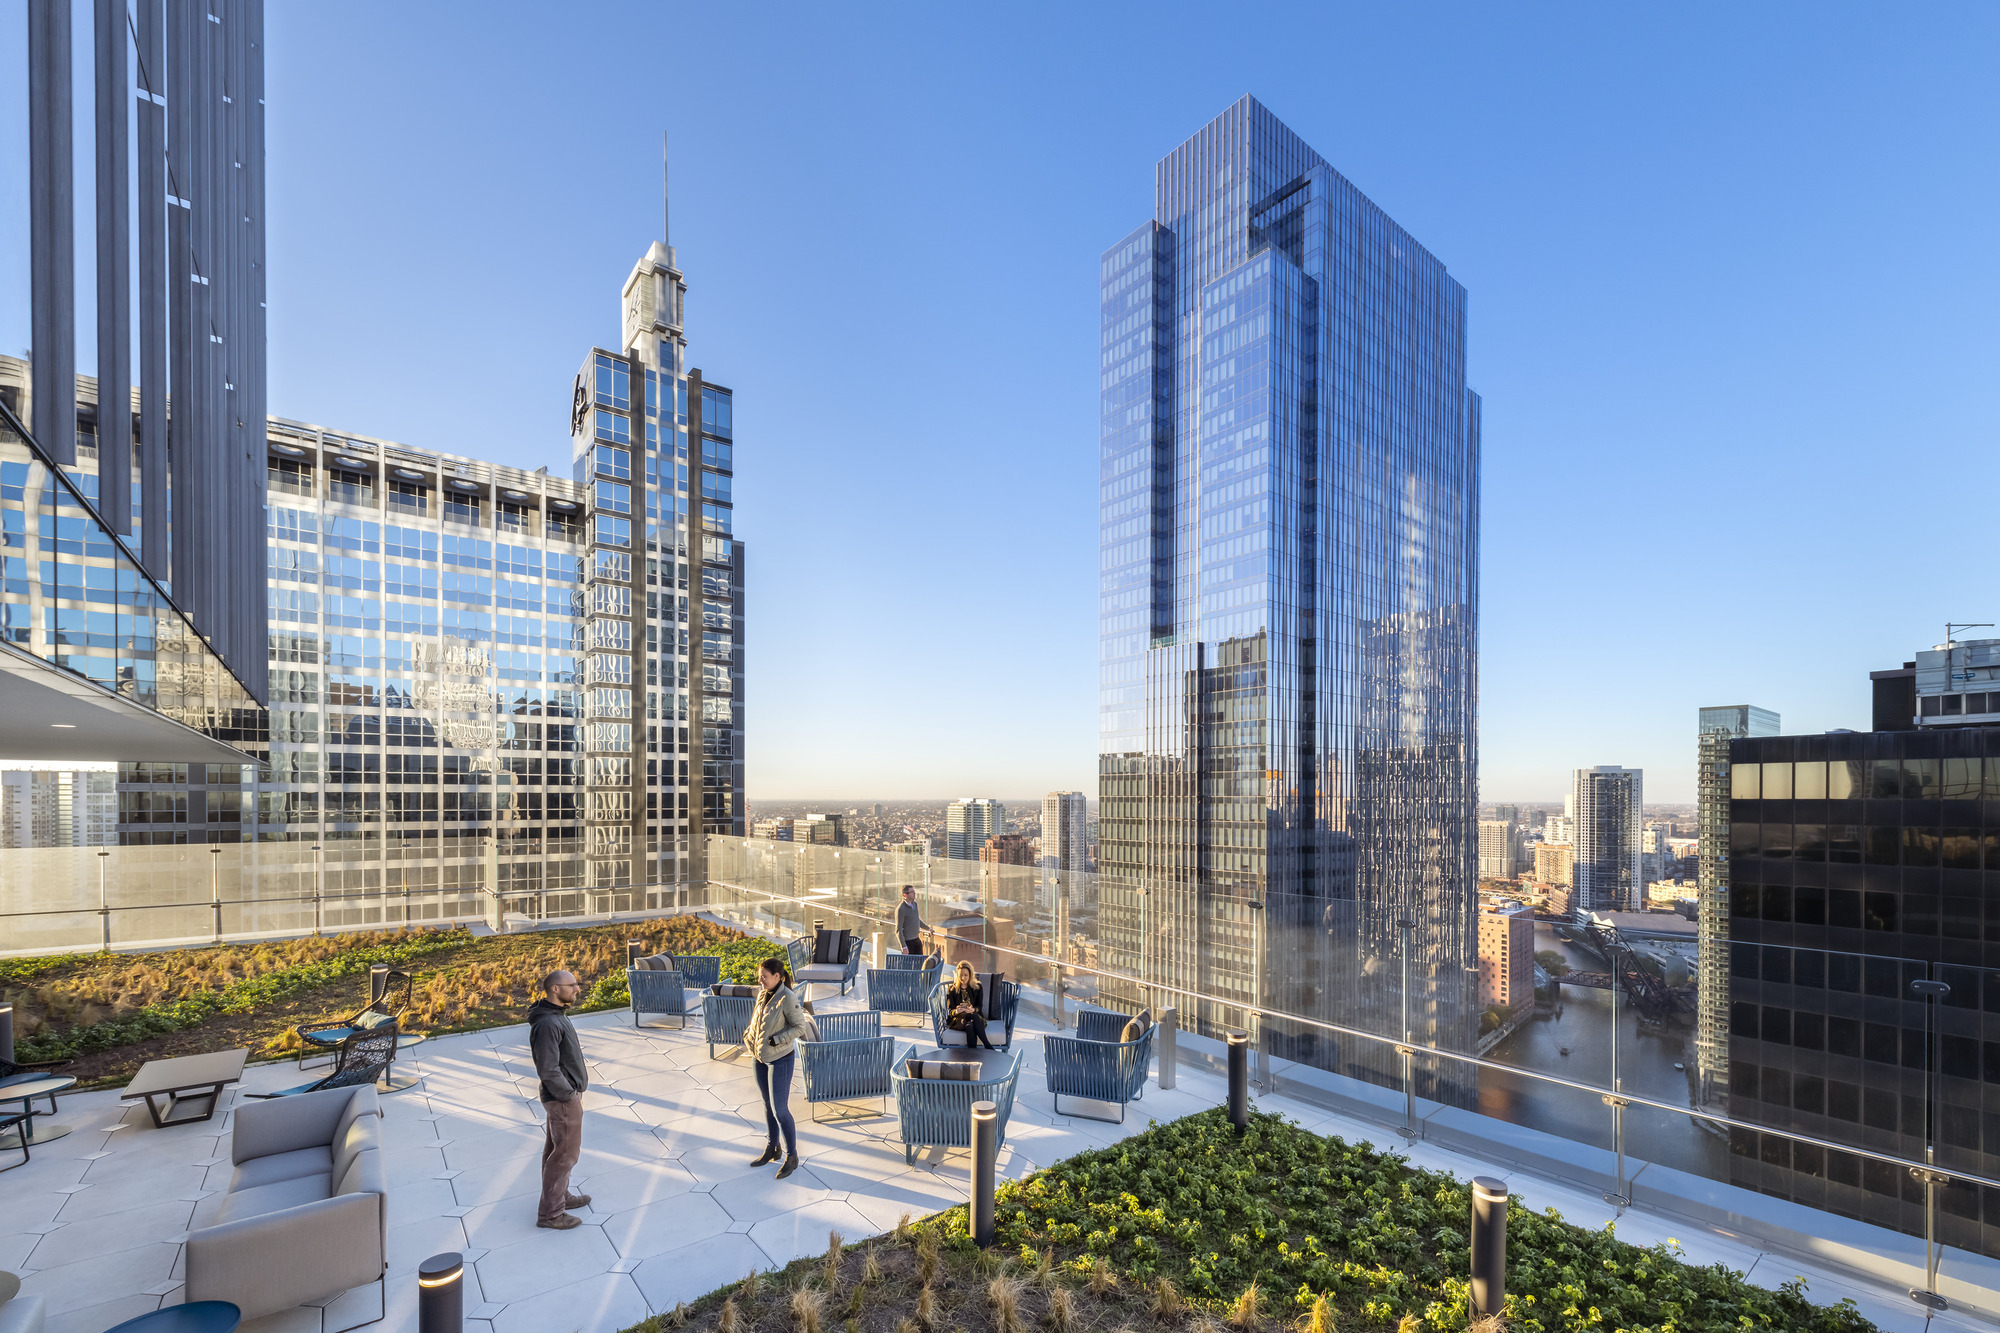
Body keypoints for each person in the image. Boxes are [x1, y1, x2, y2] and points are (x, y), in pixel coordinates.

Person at [528, 969, 591, 1229]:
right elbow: (548, 1069)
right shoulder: (548, 1024)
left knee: (556, 1150)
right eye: (571, 985)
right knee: (565, 1154)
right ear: (555, 989)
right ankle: (551, 1214)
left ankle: (560, 1195)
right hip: (562, 1099)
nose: (577, 989)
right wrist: (569, 1095)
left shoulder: (555, 1016)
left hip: (562, 1096)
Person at [747, 955, 809, 1178]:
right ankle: (773, 1147)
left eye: (764, 977)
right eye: (760, 976)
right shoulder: (762, 993)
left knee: (780, 1109)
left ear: (777, 976)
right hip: (759, 1057)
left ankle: (792, 1156)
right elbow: (757, 1021)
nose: (760, 980)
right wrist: (748, 1035)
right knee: (767, 1105)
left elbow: (800, 1027)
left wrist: (776, 1040)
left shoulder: (788, 998)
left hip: (780, 1059)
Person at [944, 960, 998, 1050]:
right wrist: (957, 1011)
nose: (963, 978)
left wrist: (973, 1010)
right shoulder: (952, 989)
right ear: (957, 975)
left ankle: (972, 1053)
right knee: (971, 1017)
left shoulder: (977, 987)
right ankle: (988, 1046)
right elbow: (950, 1011)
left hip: (974, 1017)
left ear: (970, 975)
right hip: (959, 1020)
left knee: (970, 1026)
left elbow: (979, 1007)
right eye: (960, 975)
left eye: (965, 975)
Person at [897, 884, 925, 955]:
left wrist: (928, 928)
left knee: (919, 961)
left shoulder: (915, 904)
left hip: (917, 940)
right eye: (912, 892)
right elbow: (898, 930)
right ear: (905, 895)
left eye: (914, 891)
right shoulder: (901, 909)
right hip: (908, 943)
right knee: (909, 962)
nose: (914, 893)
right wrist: (904, 946)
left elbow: (916, 920)